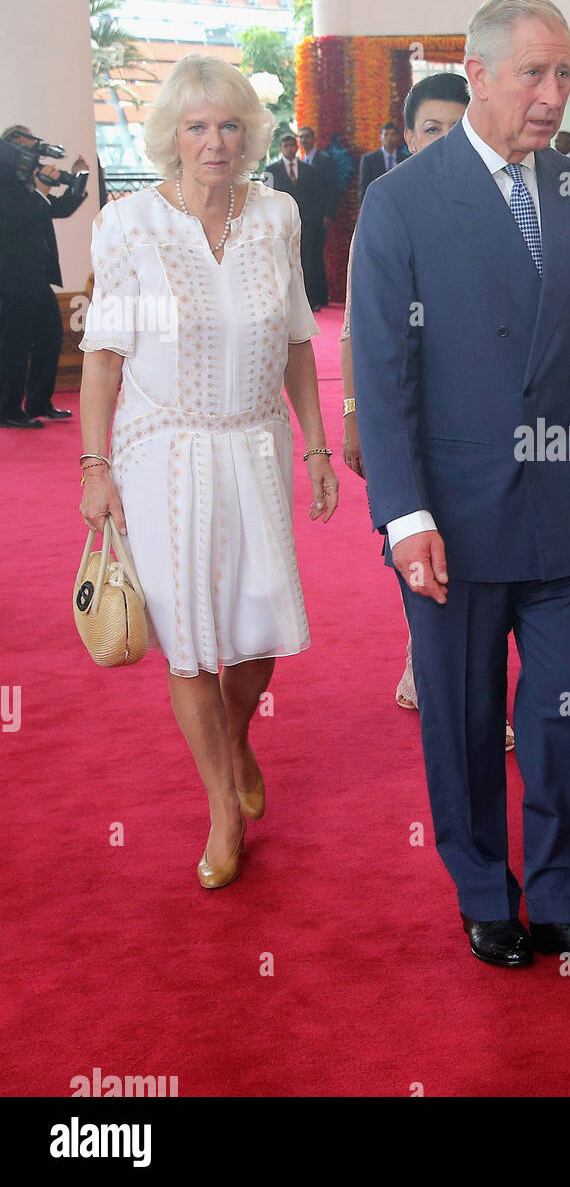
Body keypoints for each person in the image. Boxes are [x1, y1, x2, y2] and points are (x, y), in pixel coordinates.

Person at [350, 0, 570, 981]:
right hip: (453, 522)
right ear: (475, 74)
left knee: (562, 712)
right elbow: (381, 375)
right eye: (532, 73)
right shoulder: (401, 201)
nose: (554, 94)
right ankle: (482, 891)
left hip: (566, 512)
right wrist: (404, 514)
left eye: (565, 74)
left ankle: (565, 900)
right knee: (465, 718)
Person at [79, 55, 339, 891]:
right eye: (197, 126)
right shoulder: (130, 226)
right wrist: (95, 464)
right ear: (171, 137)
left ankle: (233, 736)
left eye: (229, 124)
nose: (214, 141)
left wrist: (316, 445)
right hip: (164, 450)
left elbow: (299, 339)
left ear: (250, 133)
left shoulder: (278, 216)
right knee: (188, 639)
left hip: (255, 444)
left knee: (262, 627)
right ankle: (223, 807)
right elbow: (103, 358)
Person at [340, 71, 470, 717]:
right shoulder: (389, 207)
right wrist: (354, 413)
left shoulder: (501, 204)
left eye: (456, 126)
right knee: (415, 532)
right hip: (405, 410)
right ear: (407, 135)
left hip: (477, 420)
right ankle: (432, 663)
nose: (444, 141)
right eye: (431, 129)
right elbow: (358, 334)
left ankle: (450, 670)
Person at [0, 125, 89, 427]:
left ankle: (39, 403)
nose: (32, 151)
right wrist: (40, 189)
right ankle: (9, 410)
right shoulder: (4, 180)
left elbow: (58, 209)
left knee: (50, 339)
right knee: (15, 346)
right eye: (26, 144)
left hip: (38, 276)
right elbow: (14, 216)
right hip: (11, 279)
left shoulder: (29, 176)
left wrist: (79, 179)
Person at [265, 134, 327, 302]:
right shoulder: (271, 170)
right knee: (283, 260)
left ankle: (309, 299)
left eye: (293, 145)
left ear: (297, 147)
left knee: (307, 260)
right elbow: (268, 197)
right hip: (281, 224)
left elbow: (317, 196)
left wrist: (316, 218)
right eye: (286, 145)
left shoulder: (308, 169)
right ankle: (285, 298)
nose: (290, 148)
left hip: (306, 223)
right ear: (281, 148)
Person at [297, 125, 338, 310]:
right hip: (307, 218)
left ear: (313, 139)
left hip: (320, 216)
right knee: (311, 255)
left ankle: (319, 296)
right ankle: (319, 295)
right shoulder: (302, 161)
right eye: (301, 137)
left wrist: (329, 213)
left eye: (306, 137)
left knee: (315, 256)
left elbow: (332, 189)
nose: (304, 140)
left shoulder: (324, 160)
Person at [358, 121, 410, 197]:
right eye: (386, 134)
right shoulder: (369, 160)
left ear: (397, 137)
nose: (389, 138)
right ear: (380, 137)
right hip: (378, 204)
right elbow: (364, 189)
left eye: (392, 135)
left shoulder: (406, 160)